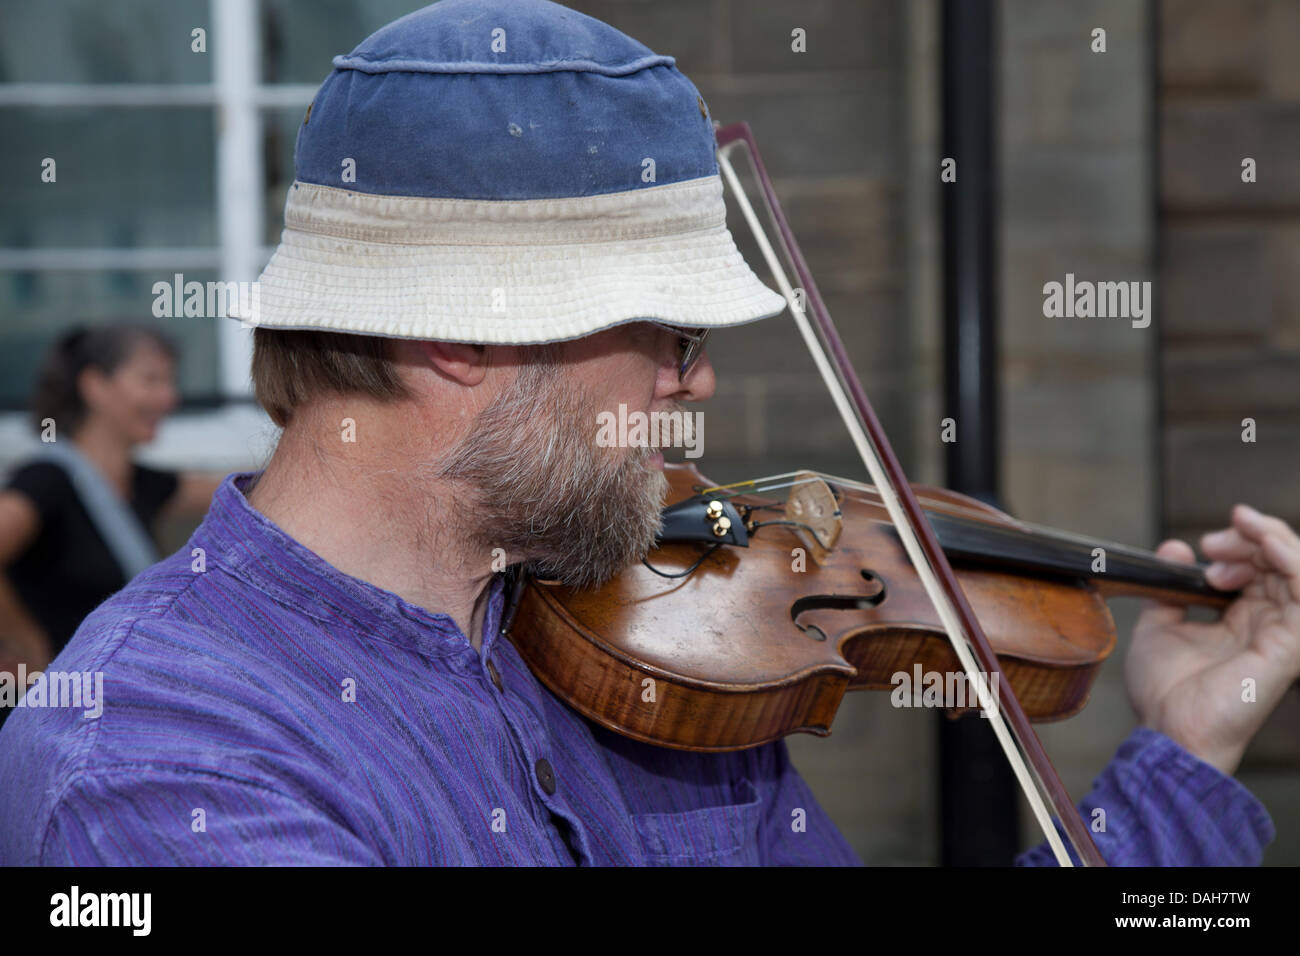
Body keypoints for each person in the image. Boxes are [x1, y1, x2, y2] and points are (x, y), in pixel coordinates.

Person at [0, 0, 1295, 866]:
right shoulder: (170, 764)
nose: (700, 390)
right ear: (464, 334)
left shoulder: (643, 679)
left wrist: (1187, 752)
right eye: (674, 335)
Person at [0, 323, 224, 727]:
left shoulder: (146, 484)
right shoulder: (46, 480)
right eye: (150, 379)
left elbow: (244, 487)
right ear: (95, 385)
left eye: (169, 382)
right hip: (45, 719)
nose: (169, 397)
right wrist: (24, 639)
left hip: (104, 715)